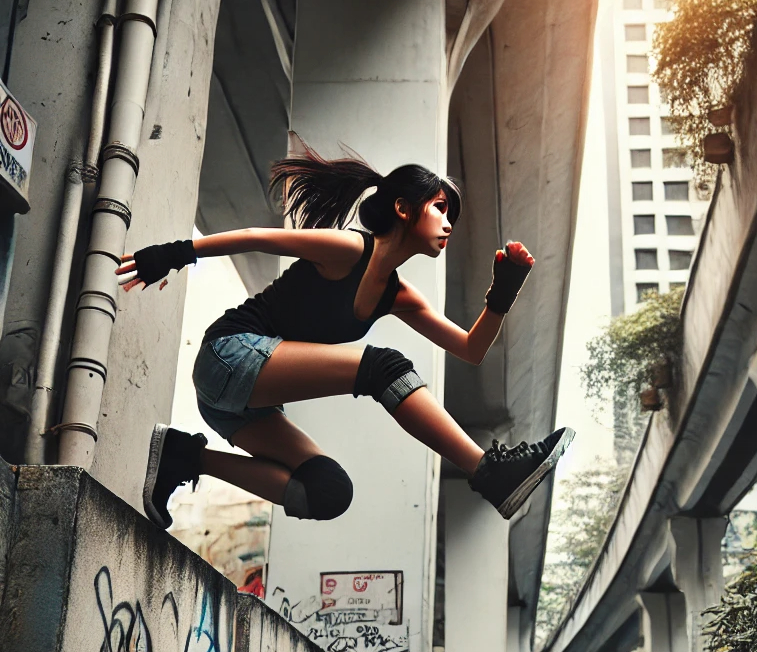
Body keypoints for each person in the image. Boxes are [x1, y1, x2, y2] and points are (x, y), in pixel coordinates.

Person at [116, 144, 573, 529]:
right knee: (382, 367)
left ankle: (183, 455)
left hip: (234, 406)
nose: (448, 222)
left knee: (327, 492)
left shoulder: (399, 296)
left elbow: (471, 350)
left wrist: (503, 291)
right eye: (439, 208)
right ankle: (489, 472)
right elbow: (260, 237)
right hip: (228, 354)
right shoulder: (349, 249)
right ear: (403, 208)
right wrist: (174, 254)